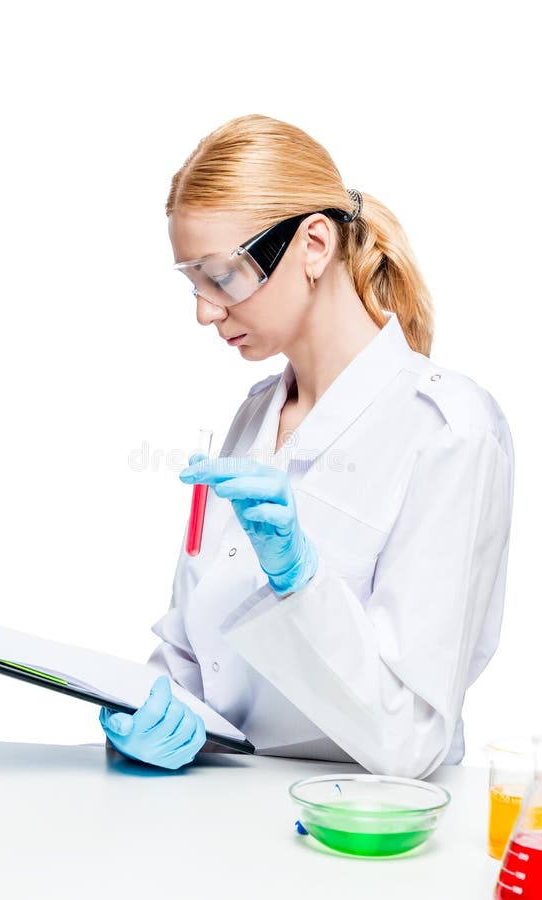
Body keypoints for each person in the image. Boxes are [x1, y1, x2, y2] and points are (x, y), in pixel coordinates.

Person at [99, 114, 515, 778]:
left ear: (313, 244)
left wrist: (302, 582)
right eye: (192, 284)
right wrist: (146, 706)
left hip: (357, 841)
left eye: (220, 278)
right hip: (210, 817)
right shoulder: (255, 414)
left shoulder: (448, 429)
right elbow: (197, 651)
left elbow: (410, 741)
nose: (204, 311)